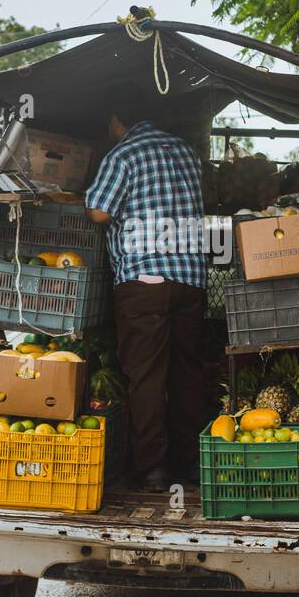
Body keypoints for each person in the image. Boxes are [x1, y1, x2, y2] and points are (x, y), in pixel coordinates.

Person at [85, 83, 207, 491]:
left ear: (116, 121)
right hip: (190, 279)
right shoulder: (186, 151)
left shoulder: (124, 153)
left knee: (146, 375)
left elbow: (100, 212)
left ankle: (152, 469)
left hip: (145, 279)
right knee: (187, 372)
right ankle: (190, 464)